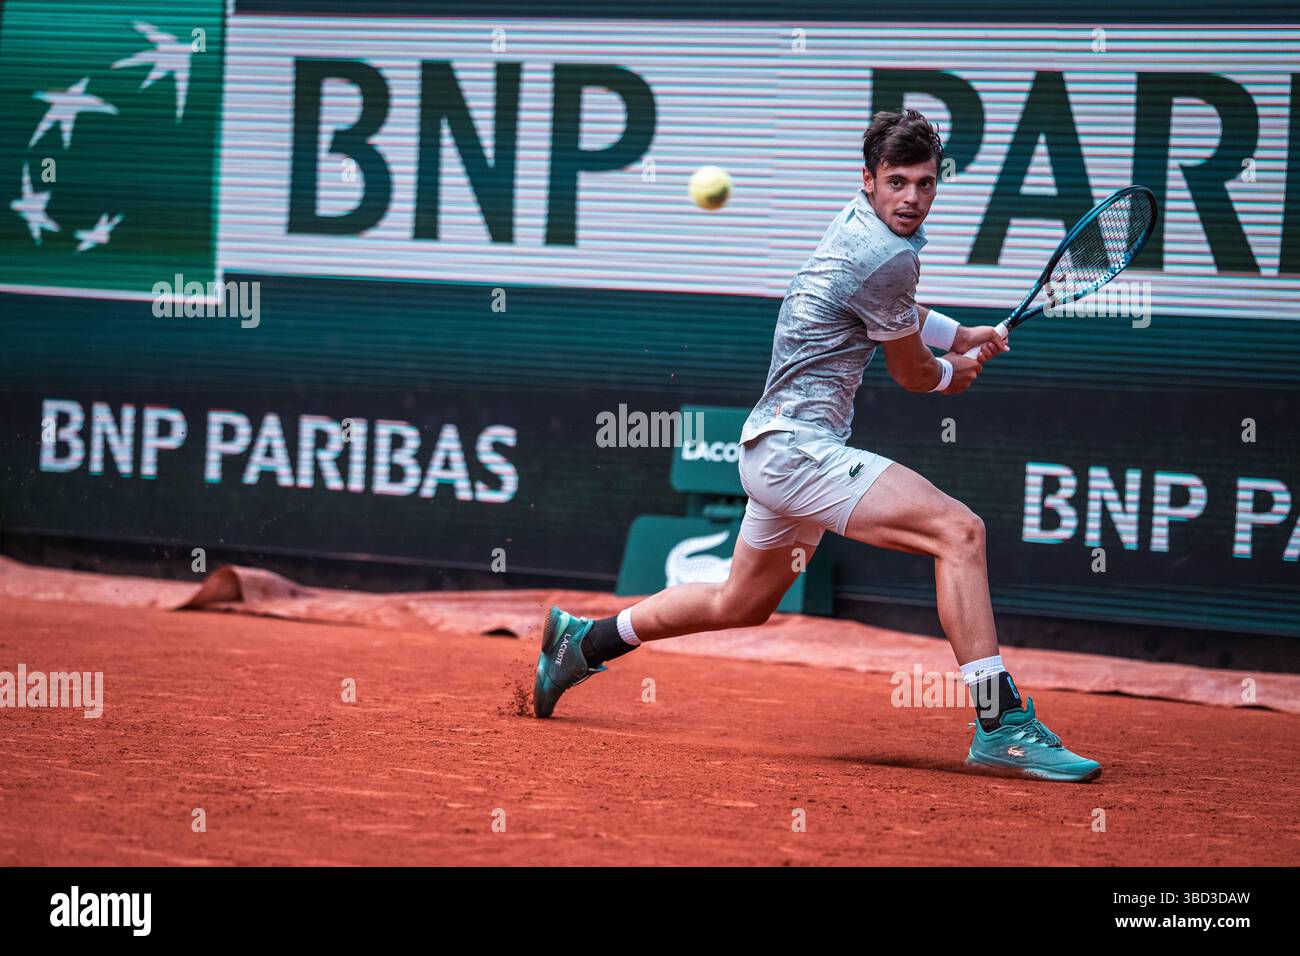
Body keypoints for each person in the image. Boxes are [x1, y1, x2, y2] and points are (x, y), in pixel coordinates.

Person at [532, 108, 1100, 783]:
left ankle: (582, 641)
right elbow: (911, 372)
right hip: (799, 453)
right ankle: (1001, 725)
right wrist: (952, 373)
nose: (912, 198)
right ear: (869, 180)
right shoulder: (886, 252)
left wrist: (962, 334)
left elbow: (891, 313)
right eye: (897, 182)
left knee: (738, 603)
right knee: (960, 532)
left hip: (774, 451)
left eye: (924, 183)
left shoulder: (865, 230)